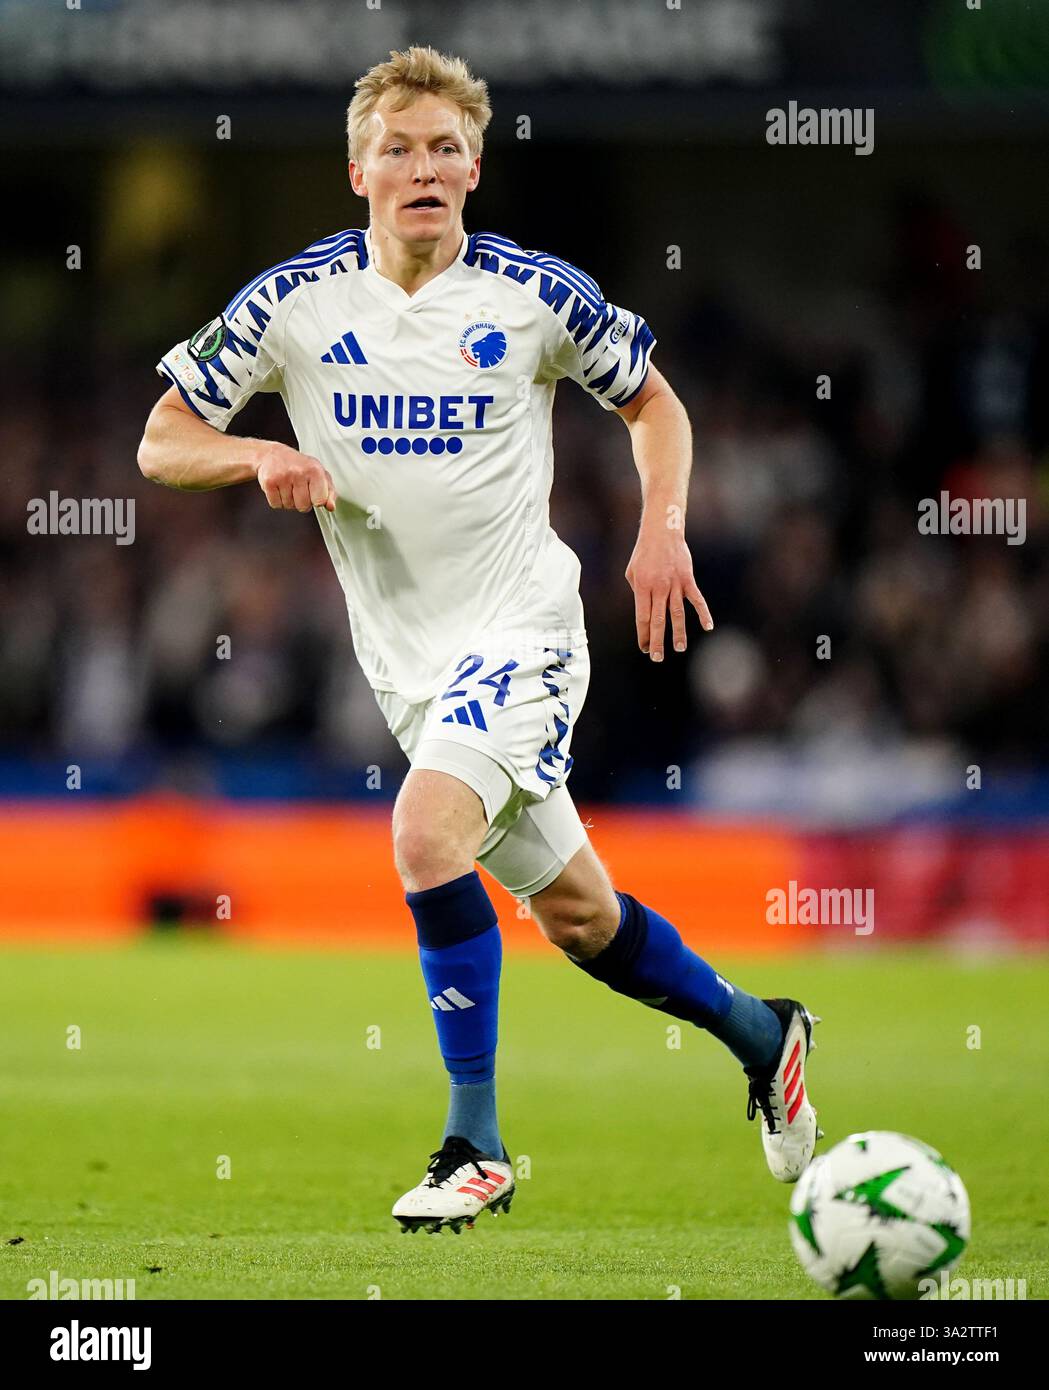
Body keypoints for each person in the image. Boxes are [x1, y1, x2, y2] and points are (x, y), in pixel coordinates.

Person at [138, 45, 821, 1235]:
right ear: (357, 169)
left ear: (474, 166)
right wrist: (257, 453)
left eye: (444, 147)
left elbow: (651, 398)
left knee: (420, 830)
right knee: (581, 921)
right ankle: (765, 1035)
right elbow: (160, 439)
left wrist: (661, 529)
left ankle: (475, 1144)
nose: (422, 167)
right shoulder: (291, 304)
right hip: (409, 670)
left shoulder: (533, 293)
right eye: (397, 147)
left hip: (526, 630)